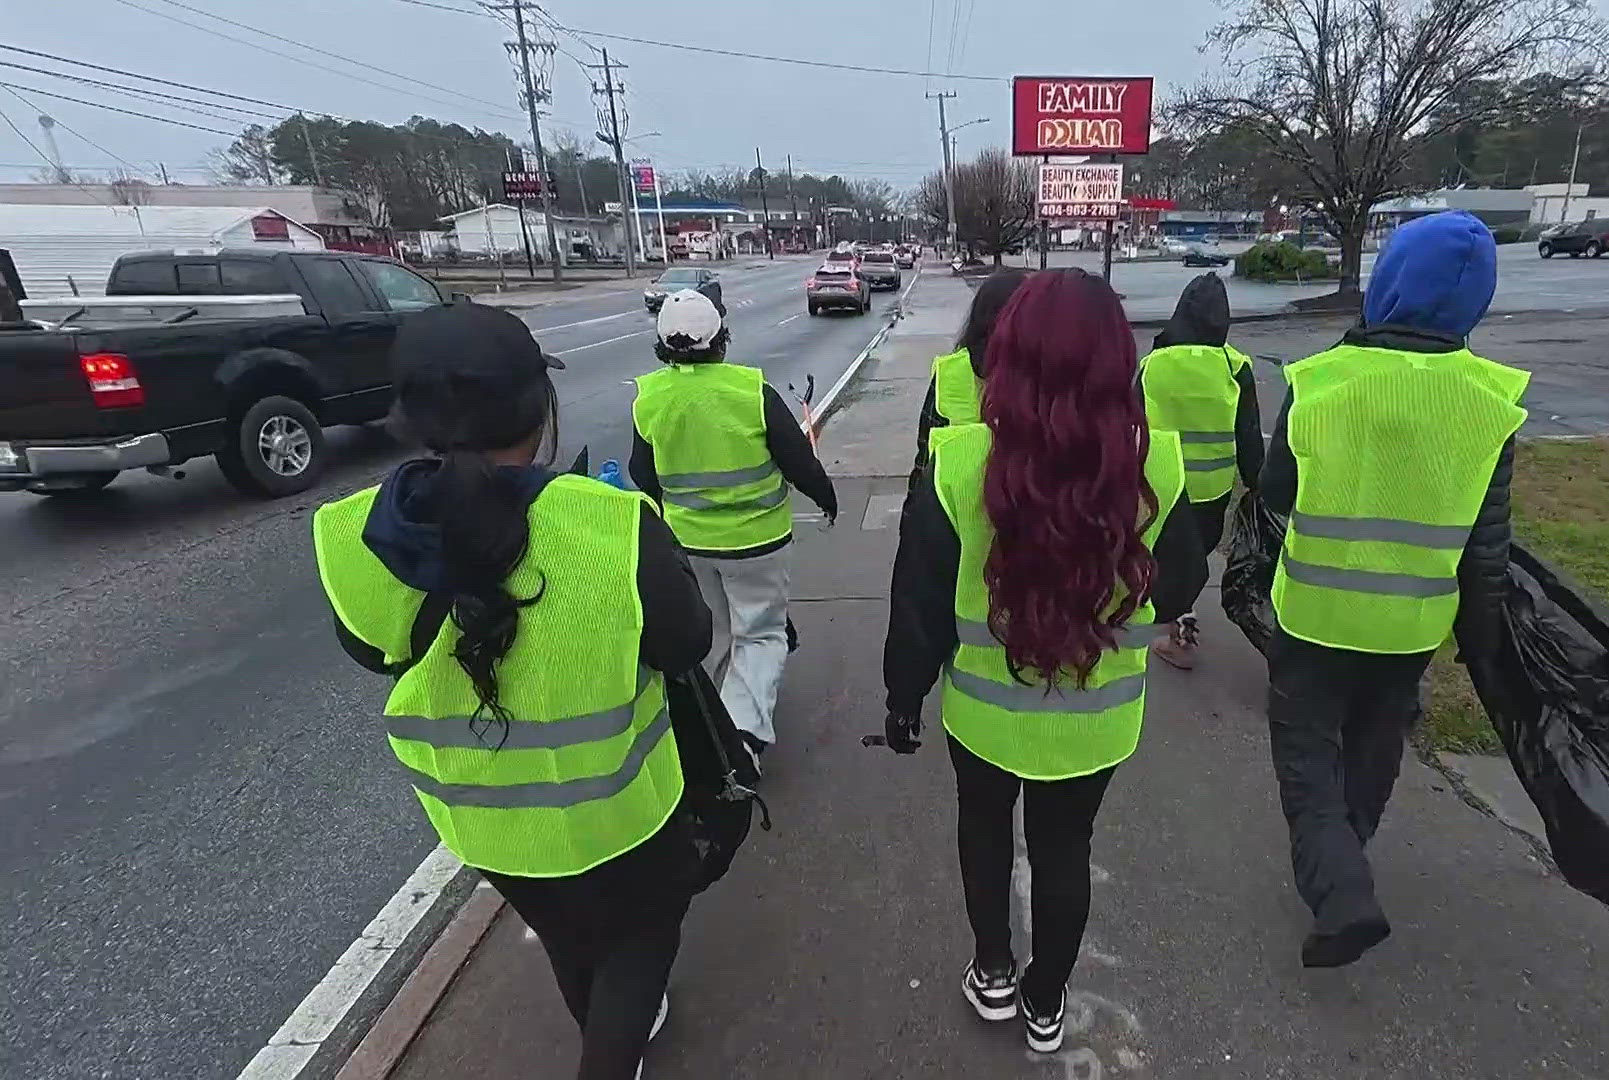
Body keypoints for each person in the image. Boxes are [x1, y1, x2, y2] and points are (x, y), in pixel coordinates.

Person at [313, 303, 712, 1079]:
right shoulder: (611, 523)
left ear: (411, 417)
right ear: (540, 408)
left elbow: (370, 651)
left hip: (484, 821)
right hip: (624, 811)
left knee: (567, 934)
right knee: (643, 936)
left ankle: (609, 1026)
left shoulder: (348, 532)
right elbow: (687, 644)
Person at [881, 268, 1206, 1053]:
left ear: (1006, 357)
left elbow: (918, 606)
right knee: (1066, 848)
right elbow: (1188, 576)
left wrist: (902, 701)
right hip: (1094, 721)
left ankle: (992, 969)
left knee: (984, 829)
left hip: (986, 715)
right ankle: (1046, 1001)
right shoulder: (1153, 465)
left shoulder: (958, 464)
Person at [1261, 210, 1528, 968]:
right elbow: (1487, 543)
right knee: (1376, 744)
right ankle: (1350, 851)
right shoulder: (1491, 402)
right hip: (1411, 624)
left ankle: (1342, 891)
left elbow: (1277, 492)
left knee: (1307, 756)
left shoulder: (1320, 383)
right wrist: (1484, 644)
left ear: (1386, 286)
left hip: (1315, 613)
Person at [630, 288, 837, 769]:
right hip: (757, 542)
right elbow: (797, 459)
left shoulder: (650, 398)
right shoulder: (750, 391)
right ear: (721, 339)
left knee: (716, 634)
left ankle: (711, 729)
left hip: (690, 544)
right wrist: (826, 499)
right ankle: (743, 737)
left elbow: (643, 475)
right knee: (761, 635)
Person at [1137, 272, 1264, 669]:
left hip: (1162, 490)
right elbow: (1248, 434)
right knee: (1195, 558)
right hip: (1213, 493)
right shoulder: (1234, 366)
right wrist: (1257, 487)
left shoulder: (1152, 366)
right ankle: (1181, 628)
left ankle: (1171, 627)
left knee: (1164, 558)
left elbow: (1130, 428)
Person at [910, 269, 1024, 487]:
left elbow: (924, 456)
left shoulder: (951, 372)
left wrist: (913, 506)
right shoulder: (1042, 375)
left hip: (951, 507)